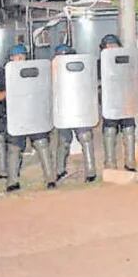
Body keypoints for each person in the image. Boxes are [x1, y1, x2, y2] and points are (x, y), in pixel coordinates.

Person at [4, 44, 56, 192]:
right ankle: (12, 181)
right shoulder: (7, 73)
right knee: (14, 149)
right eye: (17, 56)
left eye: (22, 56)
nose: (20, 58)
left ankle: (50, 179)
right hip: (16, 117)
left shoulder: (36, 71)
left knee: (42, 144)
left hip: (34, 114)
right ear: (11, 58)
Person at [53, 44, 97, 183]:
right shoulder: (53, 71)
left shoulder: (81, 67)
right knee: (64, 140)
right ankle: (59, 170)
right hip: (63, 109)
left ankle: (91, 171)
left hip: (79, 107)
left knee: (85, 137)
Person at [99, 34, 138, 172]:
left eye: (114, 45)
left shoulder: (127, 60)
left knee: (129, 131)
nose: (111, 48)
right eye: (108, 46)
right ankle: (110, 163)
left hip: (126, 102)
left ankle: (130, 162)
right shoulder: (101, 64)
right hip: (110, 104)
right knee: (109, 132)